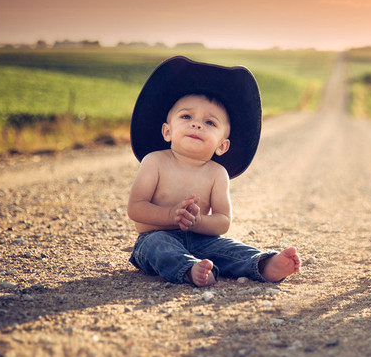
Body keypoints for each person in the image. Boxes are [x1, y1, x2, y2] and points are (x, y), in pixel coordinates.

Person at [126, 56, 300, 287]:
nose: (196, 124)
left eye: (210, 123)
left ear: (222, 145)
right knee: (158, 247)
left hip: (202, 240)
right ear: (167, 132)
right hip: (155, 235)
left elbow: (222, 221)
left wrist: (196, 222)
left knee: (228, 247)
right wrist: (171, 216)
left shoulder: (217, 173)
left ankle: (264, 264)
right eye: (186, 117)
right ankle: (188, 269)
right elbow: (136, 208)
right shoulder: (154, 161)